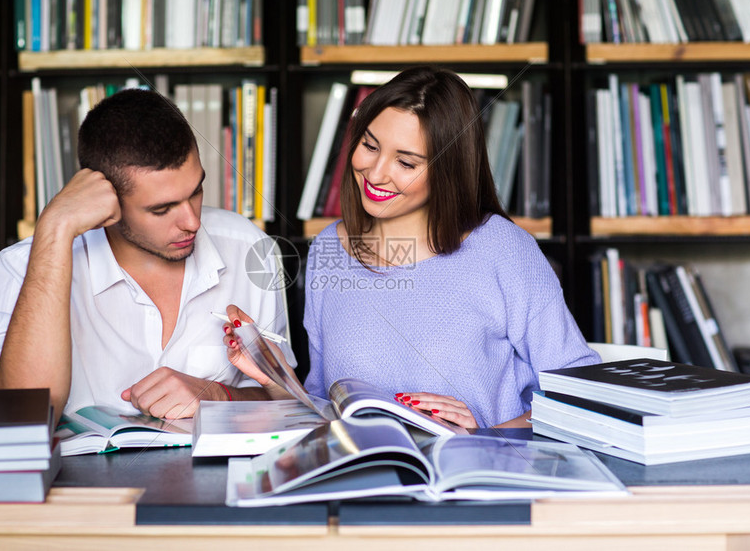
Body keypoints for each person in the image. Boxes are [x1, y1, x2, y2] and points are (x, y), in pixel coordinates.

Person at [222, 66, 598, 429]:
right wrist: (274, 376)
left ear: (448, 170)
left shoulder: (504, 249)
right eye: (369, 145)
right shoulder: (327, 251)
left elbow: (583, 397)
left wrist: (487, 437)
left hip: (474, 469)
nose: (376, 173)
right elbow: (325, 406)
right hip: (365, 469)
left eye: (405, 162)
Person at [0, 88, 290, 421]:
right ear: (107, 203)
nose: (192, 222)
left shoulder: (249, 248)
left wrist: (217, 396)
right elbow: (21, 421)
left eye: (196, 191)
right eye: (162, 209)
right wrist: (54, 227)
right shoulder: (22, 267)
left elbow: (287, 402)